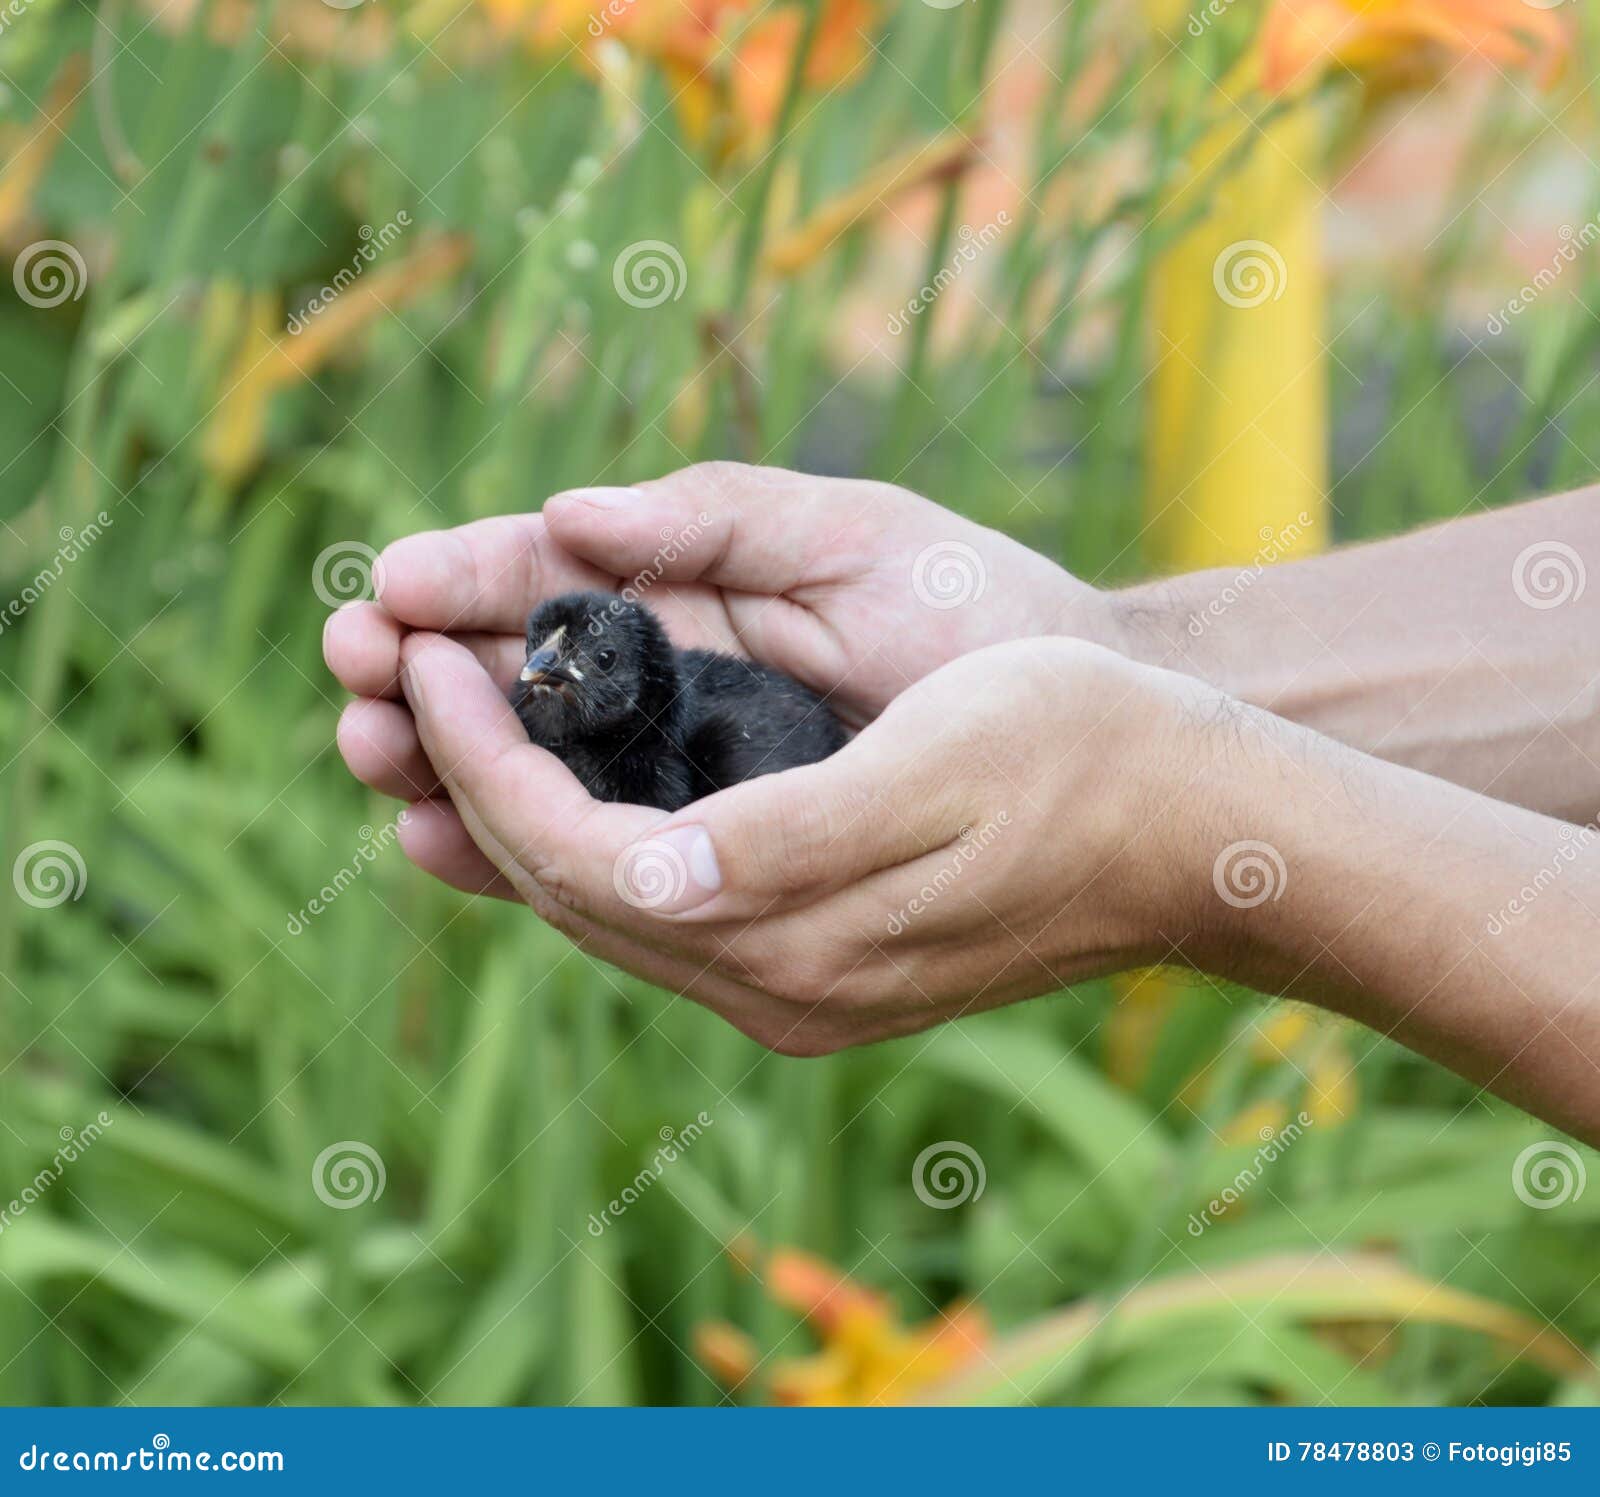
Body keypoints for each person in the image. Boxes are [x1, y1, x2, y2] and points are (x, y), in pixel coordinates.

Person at [323, 464, 1600, 1144]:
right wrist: (1140, 663)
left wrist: (1180, 817)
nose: (544, 677)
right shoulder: (673, 693)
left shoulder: (702, 724)